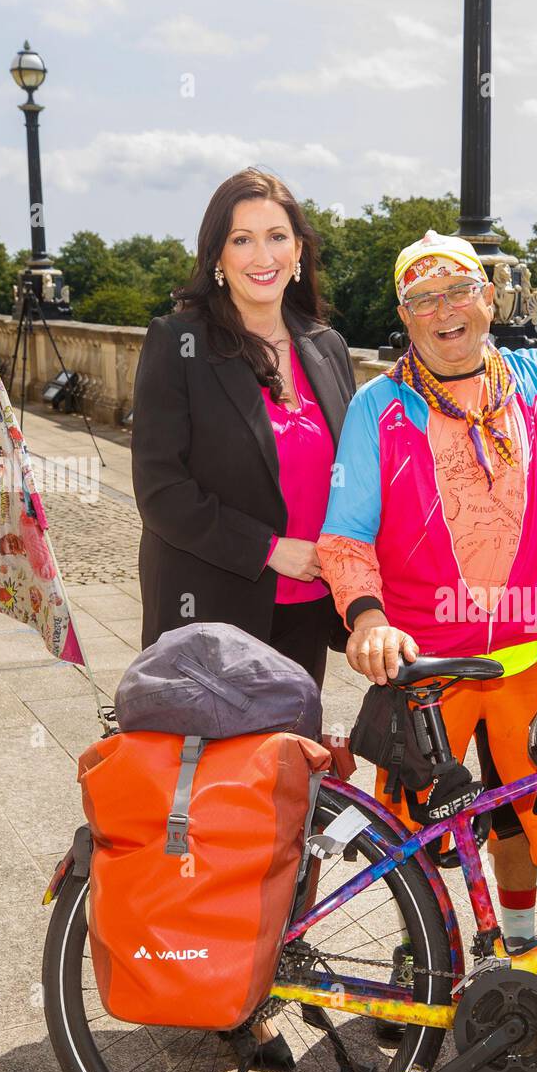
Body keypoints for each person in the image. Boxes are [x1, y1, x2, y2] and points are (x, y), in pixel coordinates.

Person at [318, 158, 537, 945]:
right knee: (418, 833)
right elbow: (343, 539)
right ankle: (428, 962)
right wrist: (368, 619)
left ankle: (517, 952)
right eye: (423, 299)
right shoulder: (379, 407)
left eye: (458, 291)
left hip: (525, 657)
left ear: (487, 299)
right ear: (406, 319)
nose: (444, 310)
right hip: (425, 664)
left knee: (522, 820)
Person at [131, 167, 355, 687]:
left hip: (308, 605)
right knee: (215, 767)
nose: (263, 256)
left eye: (277, 237)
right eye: (242, 239)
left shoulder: (327, 346)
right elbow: (162, 491)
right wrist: (271, 550)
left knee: (292, 760)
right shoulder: (178, 342)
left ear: (298, 251)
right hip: (210, 612)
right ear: (217, 257)